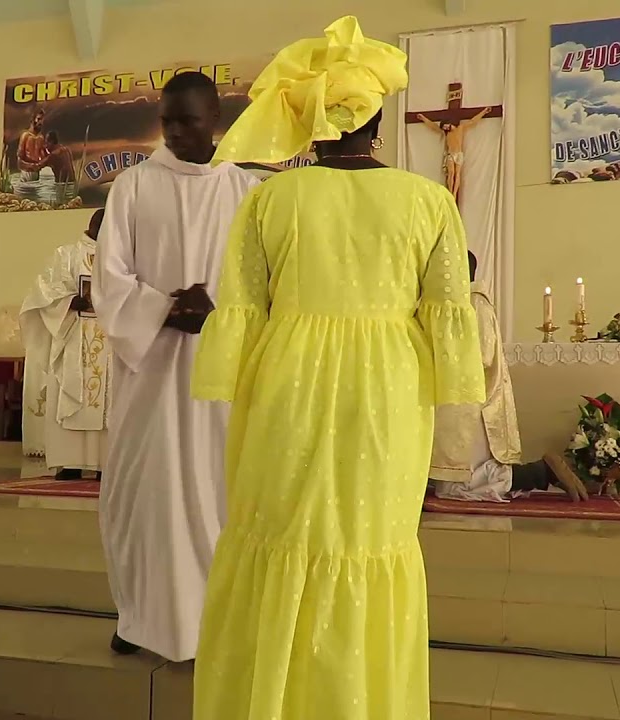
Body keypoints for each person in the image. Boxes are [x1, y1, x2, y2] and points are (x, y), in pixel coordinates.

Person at [189, 16, 482, 720]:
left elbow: (241, 308)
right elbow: (448, 305)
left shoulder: (269, 200)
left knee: (280, 538)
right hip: (387, 392)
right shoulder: (427, 200)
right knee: (369, 543)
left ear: (313, 122)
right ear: (379, 118)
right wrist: (455, 398)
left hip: (285, 385)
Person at [91, 70, 259, 661]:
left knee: (216, 494)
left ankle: (214, 620)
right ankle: (140, 616)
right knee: (143, 496)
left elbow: (263, 286)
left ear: (216, 118)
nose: (176, 131)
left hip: (221, 372)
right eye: (167, 120)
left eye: (188, 119)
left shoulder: (246, 191)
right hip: (153, 370)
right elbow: (109, 278)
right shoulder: (133, 187)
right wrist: (163, 309)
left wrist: (216, 311)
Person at [430, 252, 589, 502]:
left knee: (460, 483)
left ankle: (542, 472)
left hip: (471, 407)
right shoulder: (461, 303)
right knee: (452, 479)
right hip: (459, 403)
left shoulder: (473, 303)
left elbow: (477, 358)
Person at [21, 209, 110, 479]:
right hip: (74, 337)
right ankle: (69, 462)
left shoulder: (122, 258)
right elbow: (44, 293)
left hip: (111, 342)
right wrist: (71, 302)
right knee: (74, 395)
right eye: (101, 224)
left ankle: (104, 465)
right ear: (91, 225)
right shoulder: (67, 255)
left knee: (109, 402)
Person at [17, 109, 49, 181]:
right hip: (26, 172)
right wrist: (30, 166)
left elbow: (44, 156)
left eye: (42, 120)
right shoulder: (25, 136)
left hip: (36, 173)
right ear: (33, 120)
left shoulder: (41, 138)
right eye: (39, 119)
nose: (41, 122)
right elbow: (19, 159)